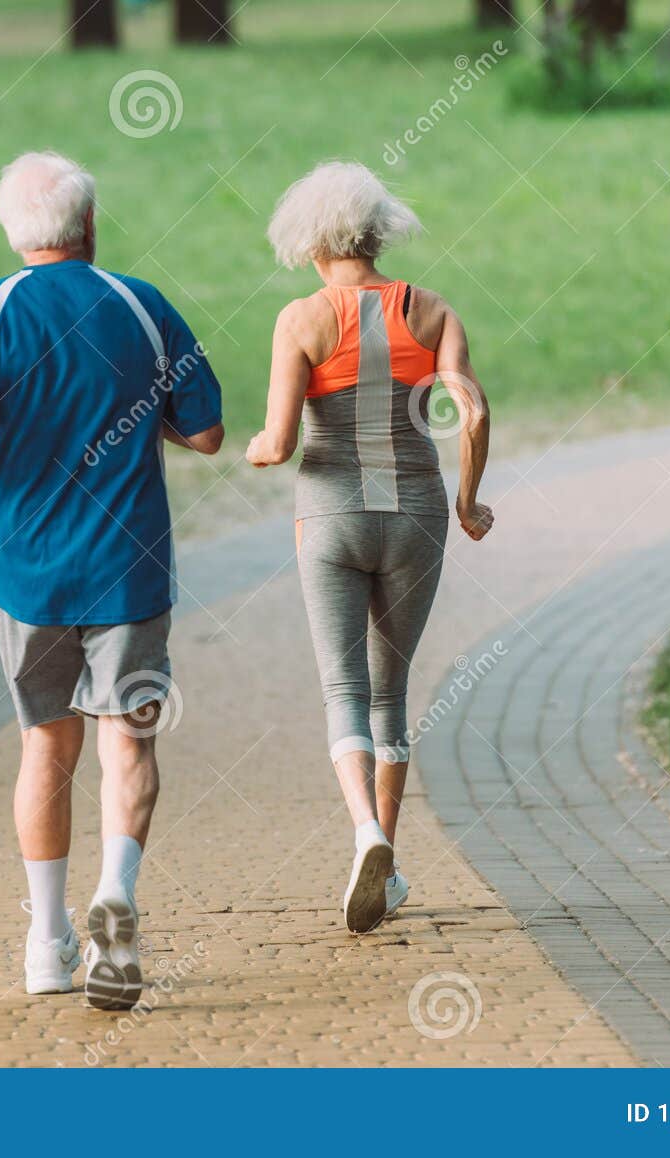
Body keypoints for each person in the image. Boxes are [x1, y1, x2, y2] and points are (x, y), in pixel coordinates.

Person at [0, 151, 224, 1010]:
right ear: (89, 226)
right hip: (129, 566)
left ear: (16, 234)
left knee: (47, 746)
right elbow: (207, 435)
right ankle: (117, 892)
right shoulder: (141, 305)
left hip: (26, 569)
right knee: (130, 739)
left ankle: (47, 944)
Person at [246, 161, 493, 933]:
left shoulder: (302, 320)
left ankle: (366, 836)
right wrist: (468, 497)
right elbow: (475, 412)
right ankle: (386, 872)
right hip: (417, 516)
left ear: (311, 241)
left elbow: (281, 444)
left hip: (331, 518)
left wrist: (253, 446)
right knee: (392, 693)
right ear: (378, 233)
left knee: (341, 690)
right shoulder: (432, 309)